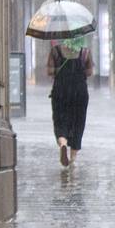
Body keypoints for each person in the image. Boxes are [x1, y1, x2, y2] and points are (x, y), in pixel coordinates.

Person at [47, 35, 93, 167]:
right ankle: (73, 160)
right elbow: (89, 72)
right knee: (78, 122)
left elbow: (50, 71)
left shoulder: (55, 51)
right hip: (79, 92)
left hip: (60, 91)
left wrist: (60, 70)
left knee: (60, 120)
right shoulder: (85, 52)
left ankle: (63, 142)